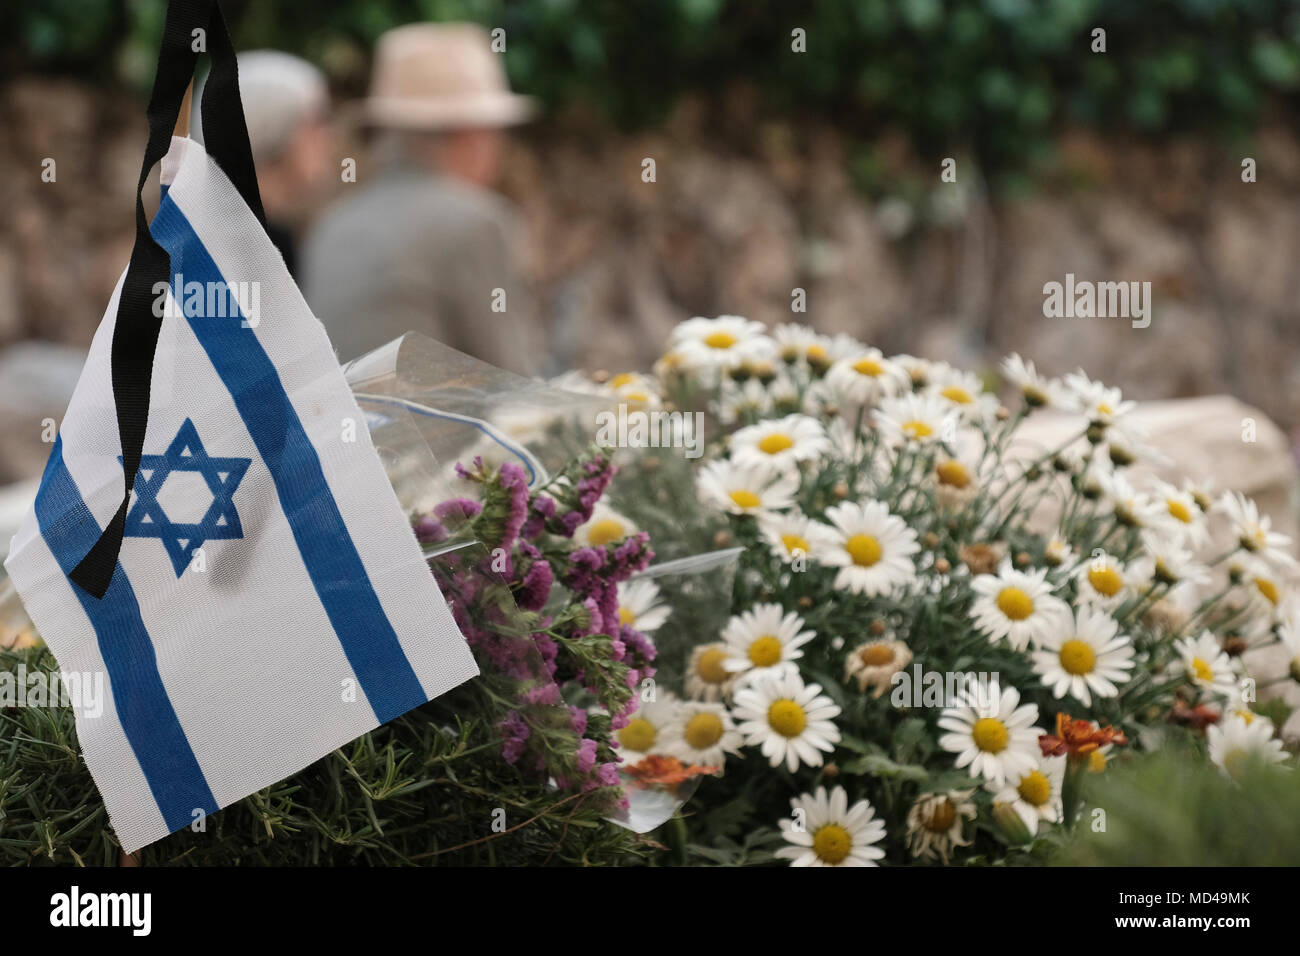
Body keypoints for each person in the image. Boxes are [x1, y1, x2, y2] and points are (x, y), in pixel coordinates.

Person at [302, 23, 541, 374]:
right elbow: (514, 383)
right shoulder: (475, 222)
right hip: (434, 429)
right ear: (470, 133)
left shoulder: (332, 224)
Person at [198, 50, 332, 278]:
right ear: (271, 127)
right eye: (316, 121)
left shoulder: (264, 232)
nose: (328, 135)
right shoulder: (246, 247)